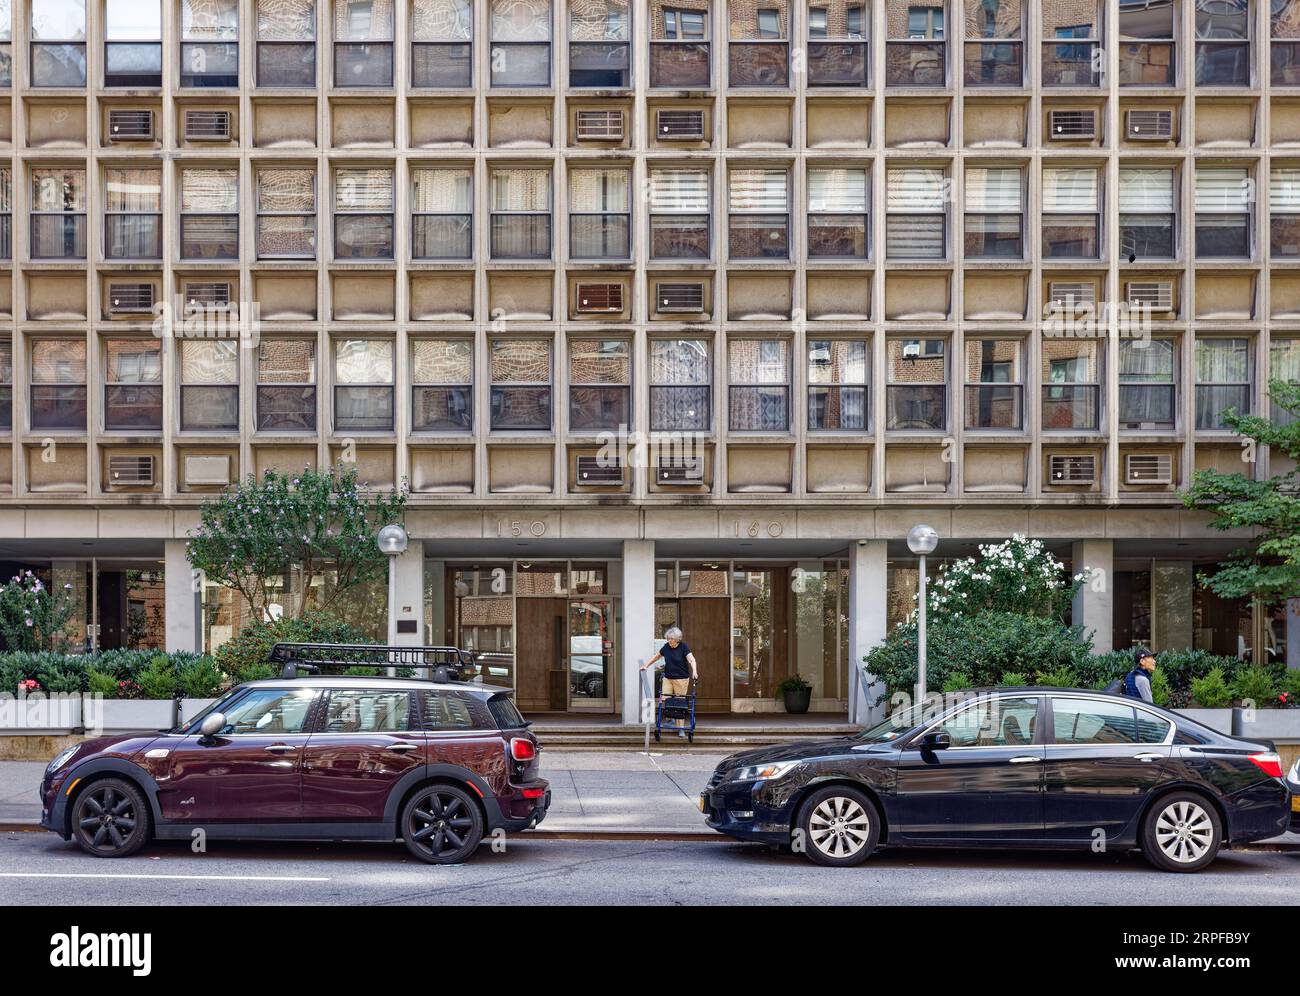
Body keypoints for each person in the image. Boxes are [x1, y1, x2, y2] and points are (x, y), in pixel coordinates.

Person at [641, 627, 698, 738]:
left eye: (671, 639)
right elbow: (657, 656)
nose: (669, 640)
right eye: (668, 638)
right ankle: (670, 719)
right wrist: (646, 666)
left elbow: (692, 660)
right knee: (665, 699)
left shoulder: (683, 647)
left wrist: (694, 671)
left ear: (677, 639)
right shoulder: (666, 647)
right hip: (668, 678)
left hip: (681, 679)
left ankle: (680, 728)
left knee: (678, 703)